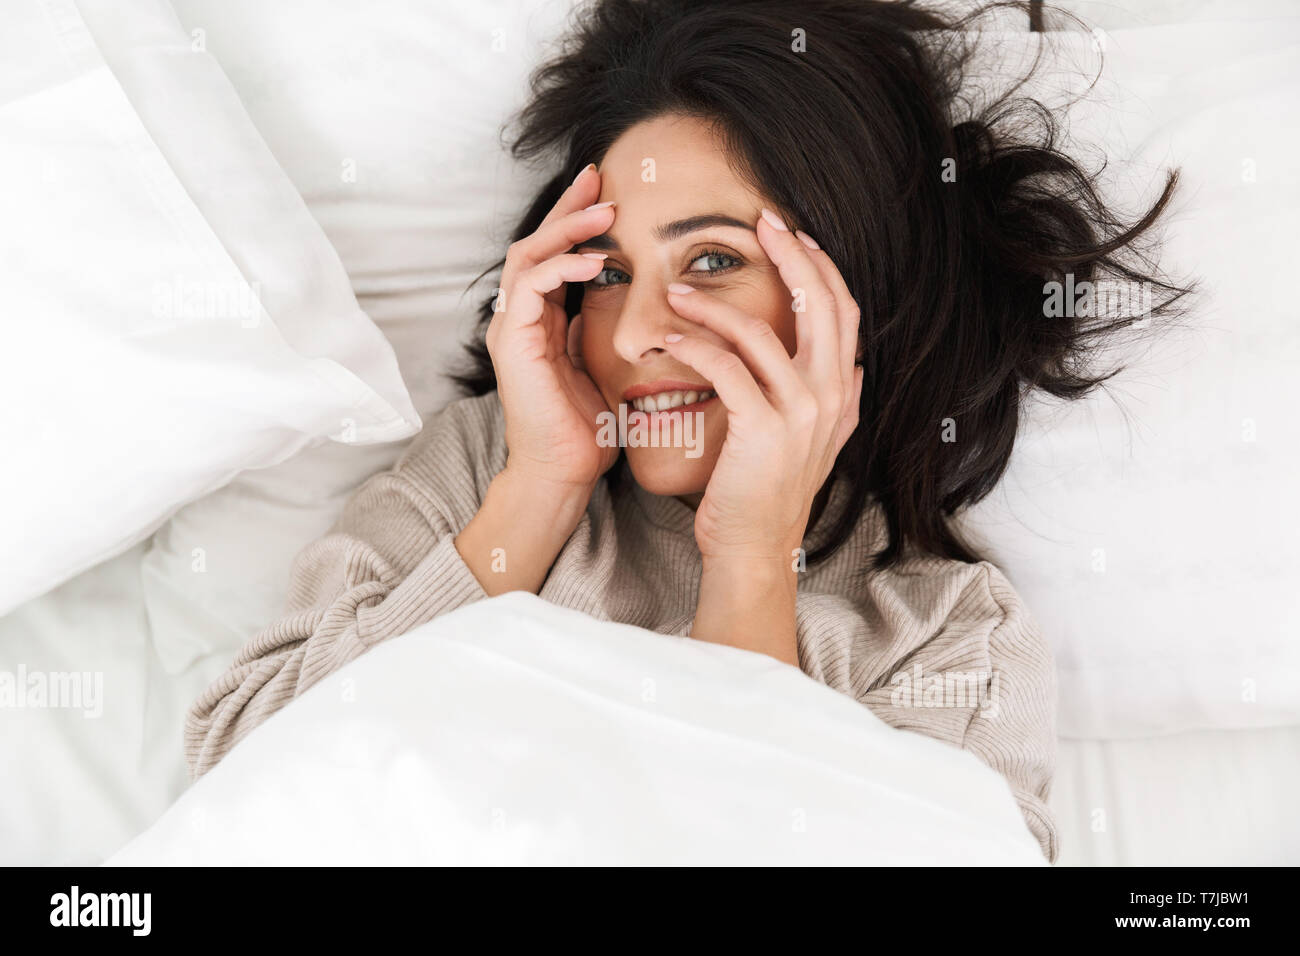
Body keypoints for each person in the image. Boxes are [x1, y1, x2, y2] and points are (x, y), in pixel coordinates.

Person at [185, 0, 1193, 864]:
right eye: (609, 272)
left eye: (711, 262)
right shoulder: (484, 471)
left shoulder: (948, 638)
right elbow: (244, 791)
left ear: (851, 294)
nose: (637, 332)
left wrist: (749, 558)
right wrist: (537, 491)